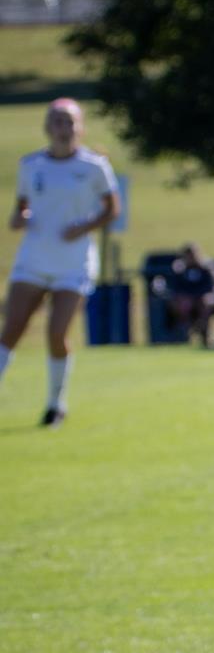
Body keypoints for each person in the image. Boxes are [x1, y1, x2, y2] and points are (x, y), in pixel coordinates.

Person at [2, 98, 120, 426]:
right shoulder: (31, 165)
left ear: (79, 127)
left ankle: (56, 404)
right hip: (34, 258)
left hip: (74, 262)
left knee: (57, 333)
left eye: (69, 122)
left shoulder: (94, 166)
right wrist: (18, 219)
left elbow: (112, 209)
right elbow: (21, 207)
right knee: (11, 330)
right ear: (47, 127)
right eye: (57, 121)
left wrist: (83, 227)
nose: (63, 128)